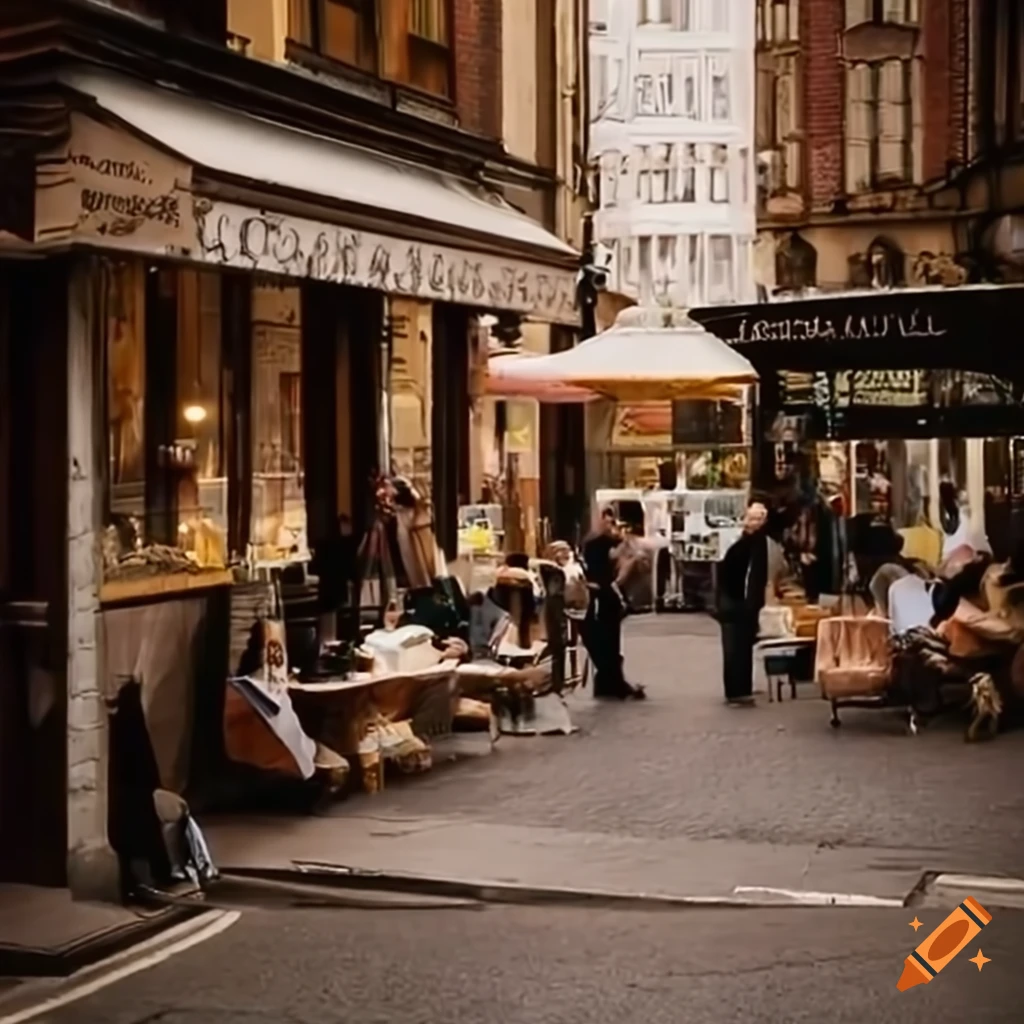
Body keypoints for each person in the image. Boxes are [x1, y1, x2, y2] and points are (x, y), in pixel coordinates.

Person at [714, 501, 780, 706]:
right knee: (735, 647)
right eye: (752, 518)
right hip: (733, 602)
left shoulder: (757, 543)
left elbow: (757, 577)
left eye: (759, 519)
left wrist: (752, 605)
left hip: (740, 603)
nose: (754, 523)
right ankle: (736, 689)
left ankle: (739, 688)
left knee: (739, 647)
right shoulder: (743, 542)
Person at [581, 507, 645, 700]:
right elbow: (615, 556)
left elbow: (626, 550)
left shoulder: (607, 541)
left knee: (611, 638)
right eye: (607, 522)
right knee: (603, 638)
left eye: (612, 522)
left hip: (608, 595)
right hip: (600, 594)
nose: (610, 526)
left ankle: (611, 681)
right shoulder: (594, 543)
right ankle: (610, 680)